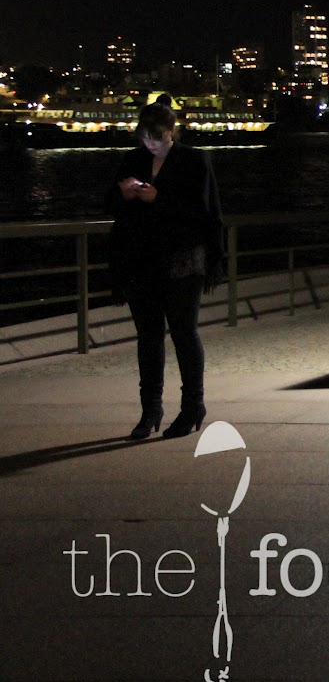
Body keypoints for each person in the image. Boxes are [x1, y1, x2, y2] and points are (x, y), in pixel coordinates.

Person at [109, 102, 224, 440]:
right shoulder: (133, 159)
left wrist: (157, 198)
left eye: (156, 137)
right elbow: (110, 205)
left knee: (184, 333)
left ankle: (192, 406)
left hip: (183, 260)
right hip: (142, 260)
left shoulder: (194, 160)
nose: (150, 144)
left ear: (172, 131)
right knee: (148, 337)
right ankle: (151, 410)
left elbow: (204, 212)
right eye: (144, 137)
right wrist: (123, 192)